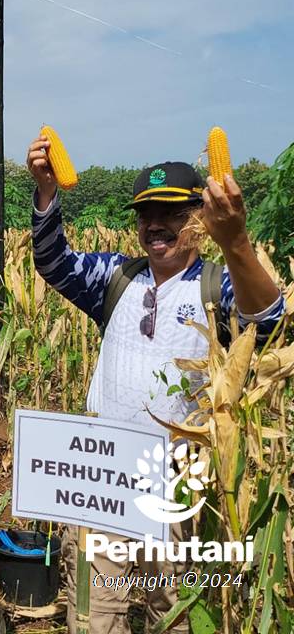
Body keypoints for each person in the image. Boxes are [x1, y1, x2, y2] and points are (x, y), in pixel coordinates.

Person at [27, 138, 285, 634]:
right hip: (104, 473)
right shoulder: (116, 277)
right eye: (145, 213)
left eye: (169, 211)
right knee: (95, 614)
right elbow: (53, 262)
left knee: (174, 612)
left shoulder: (219, 284)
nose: (154, 224)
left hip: (181, 481)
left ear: (198, 218)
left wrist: (236, 241)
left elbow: (269, 322)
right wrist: (44, 191)